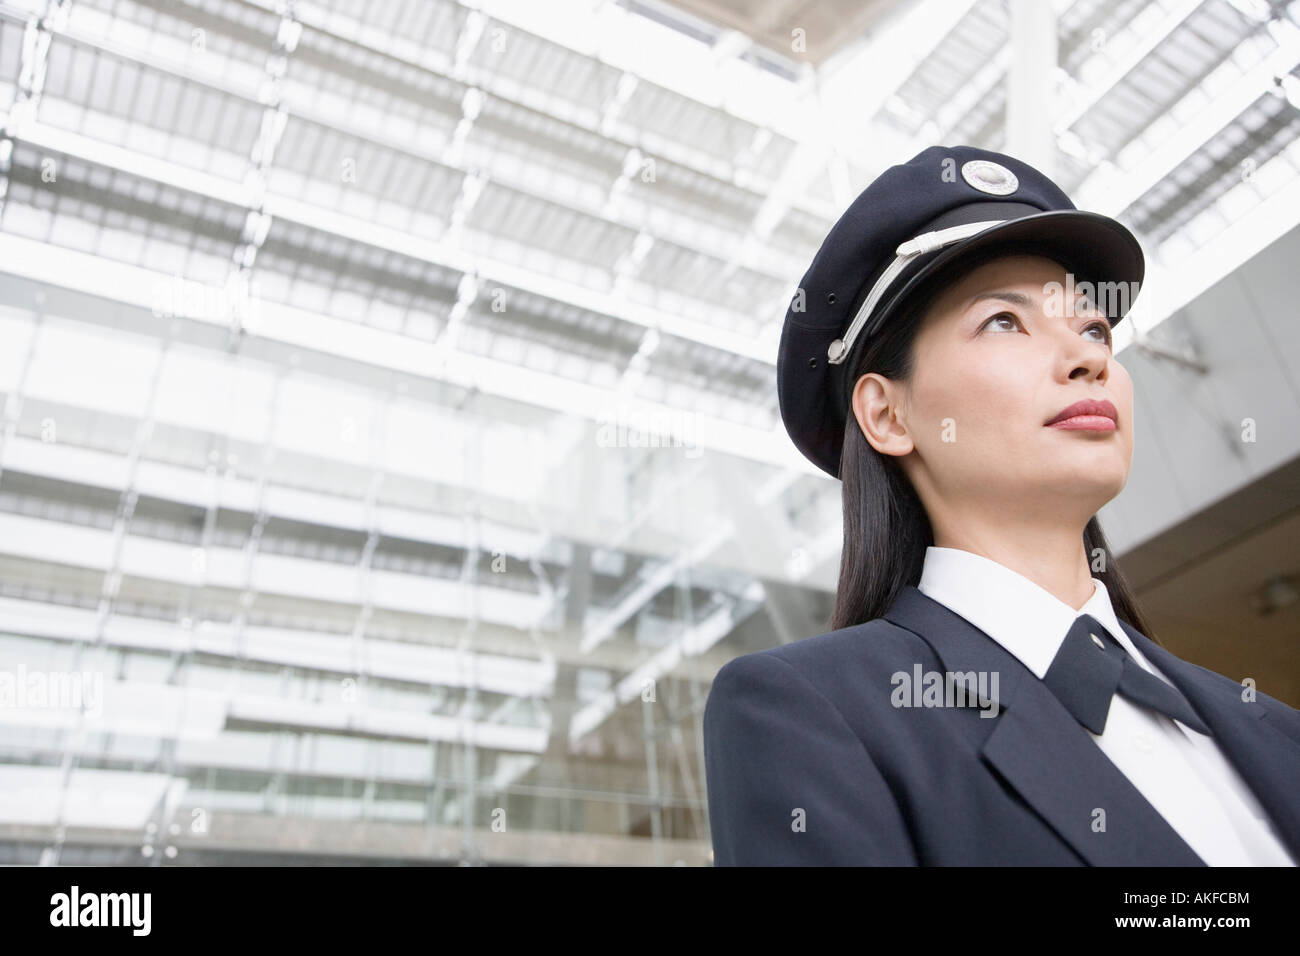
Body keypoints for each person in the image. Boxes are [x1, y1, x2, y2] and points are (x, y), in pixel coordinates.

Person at [702, 144, 1300, 866]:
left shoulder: (1276, 732)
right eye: (1005, 323)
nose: (1090, 359)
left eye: (1093, 328)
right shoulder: (812, 716)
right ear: (889, 416)